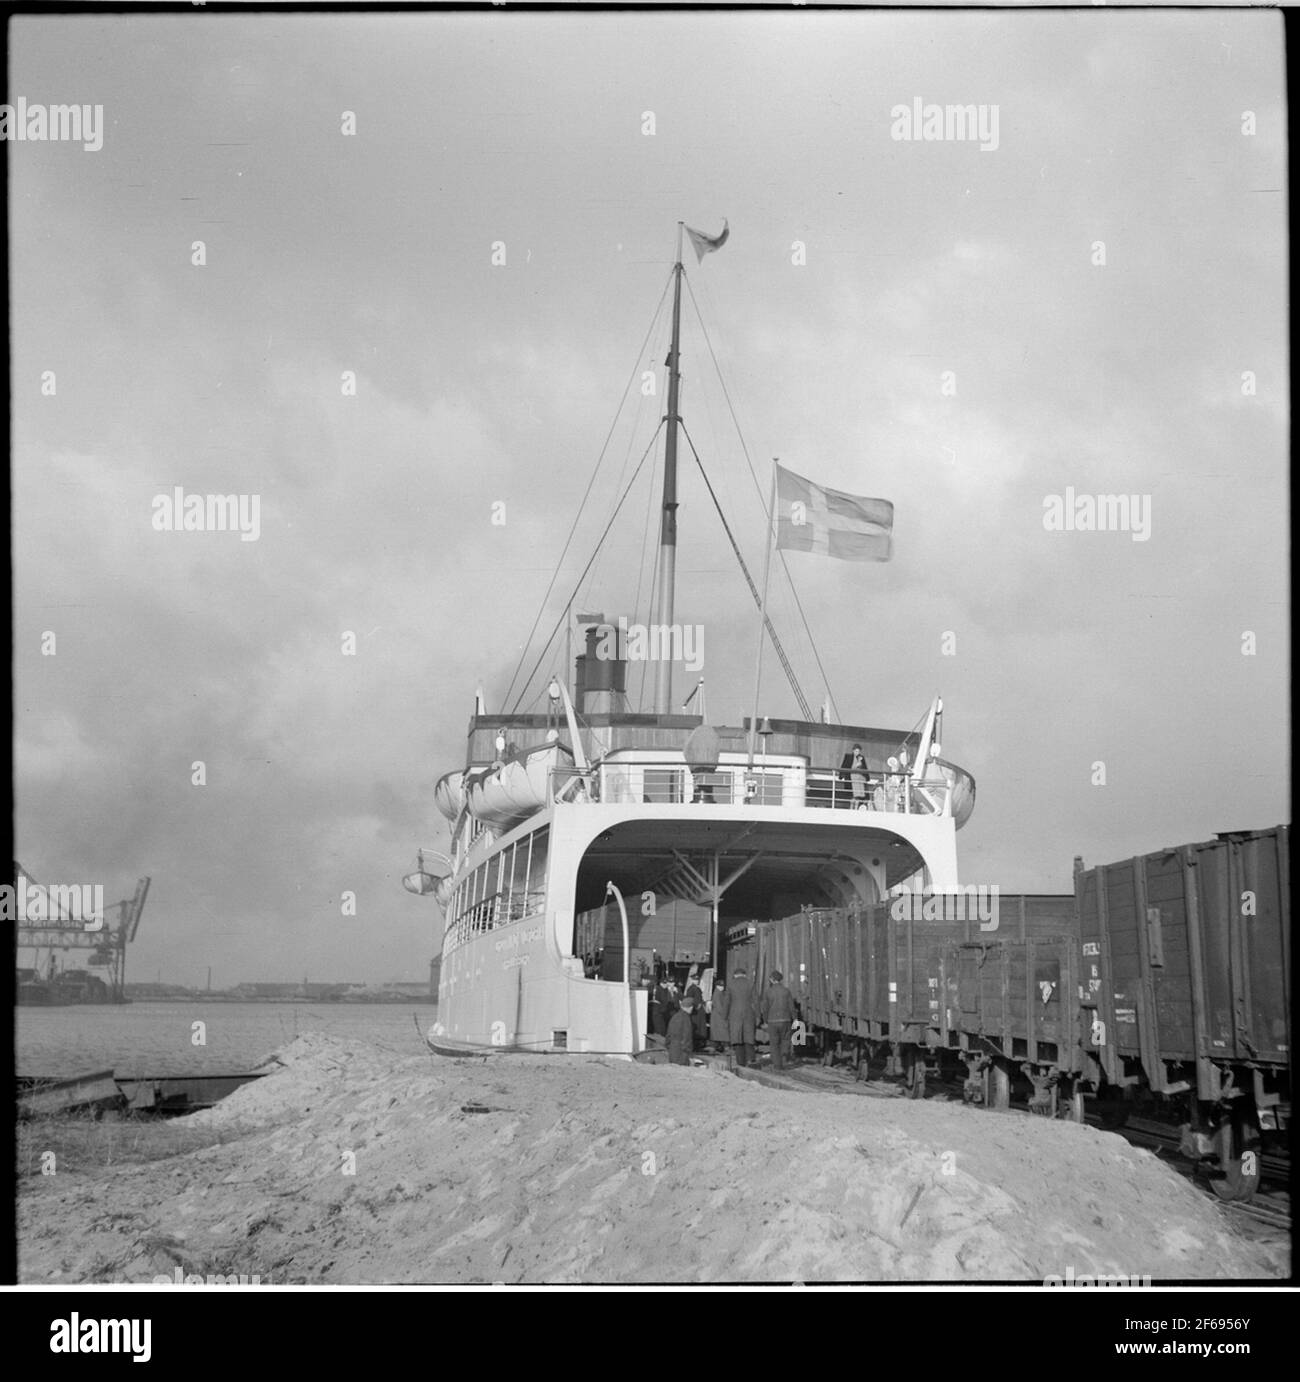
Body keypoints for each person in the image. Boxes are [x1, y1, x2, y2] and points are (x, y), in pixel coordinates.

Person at [761, 970, 797, 1071]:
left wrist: (765, 1020)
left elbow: (765, 1008)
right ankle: (784, 1057)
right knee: (785, 1040)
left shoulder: (768, 992)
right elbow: (791, 1006)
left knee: (774, 1043)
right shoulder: (786, 991)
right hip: (785, 1020)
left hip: (772, 1021)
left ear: (772, 979)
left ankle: (777, 1065)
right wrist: (795, 1019)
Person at [727, 966, 758, 1068]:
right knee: (748, 1037)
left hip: (735, 1014)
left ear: (735, 975)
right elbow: (756, 1001)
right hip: (748, 1013)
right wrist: (758, 1015)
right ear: (744, 974)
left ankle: (740, 1062)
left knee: (737, 1038)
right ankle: (751, 1059)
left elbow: (727, 1001)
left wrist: (725, 1015)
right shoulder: (750, 983)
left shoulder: (731, 985)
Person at [666, 998, 695, 1065]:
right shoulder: (686, 1019)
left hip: (672, 1050)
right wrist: (689, 1054)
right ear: (691, 1007)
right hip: (682, 1053)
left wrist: (669, 1047)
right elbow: (687, 1037)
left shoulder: (674, 1016)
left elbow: (668, 1035)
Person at [684, 971, 706, 1050]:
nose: (697, 981)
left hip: (699, 1011)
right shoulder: (691, 989)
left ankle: (699, 1044)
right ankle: (696, 1045)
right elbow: (689, 1000)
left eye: (697, 980)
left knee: (700, 1028)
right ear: (692, 980)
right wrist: (695, 1006)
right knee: (696, 1028)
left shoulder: (697, 988)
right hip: (695, 1012)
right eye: (695, 980)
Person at [709, 979, 731, 1054]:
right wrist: (725, 1015)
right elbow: (719, 1007)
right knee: (723, 1032)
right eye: (720, 986)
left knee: (717, 1033)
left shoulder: (719, 993)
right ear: (717, 986)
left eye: (723, 986)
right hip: (719, 1016)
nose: (722, 987)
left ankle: (713, 1048)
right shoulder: (717, 994)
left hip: (718, 1016)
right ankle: (726, 1048)